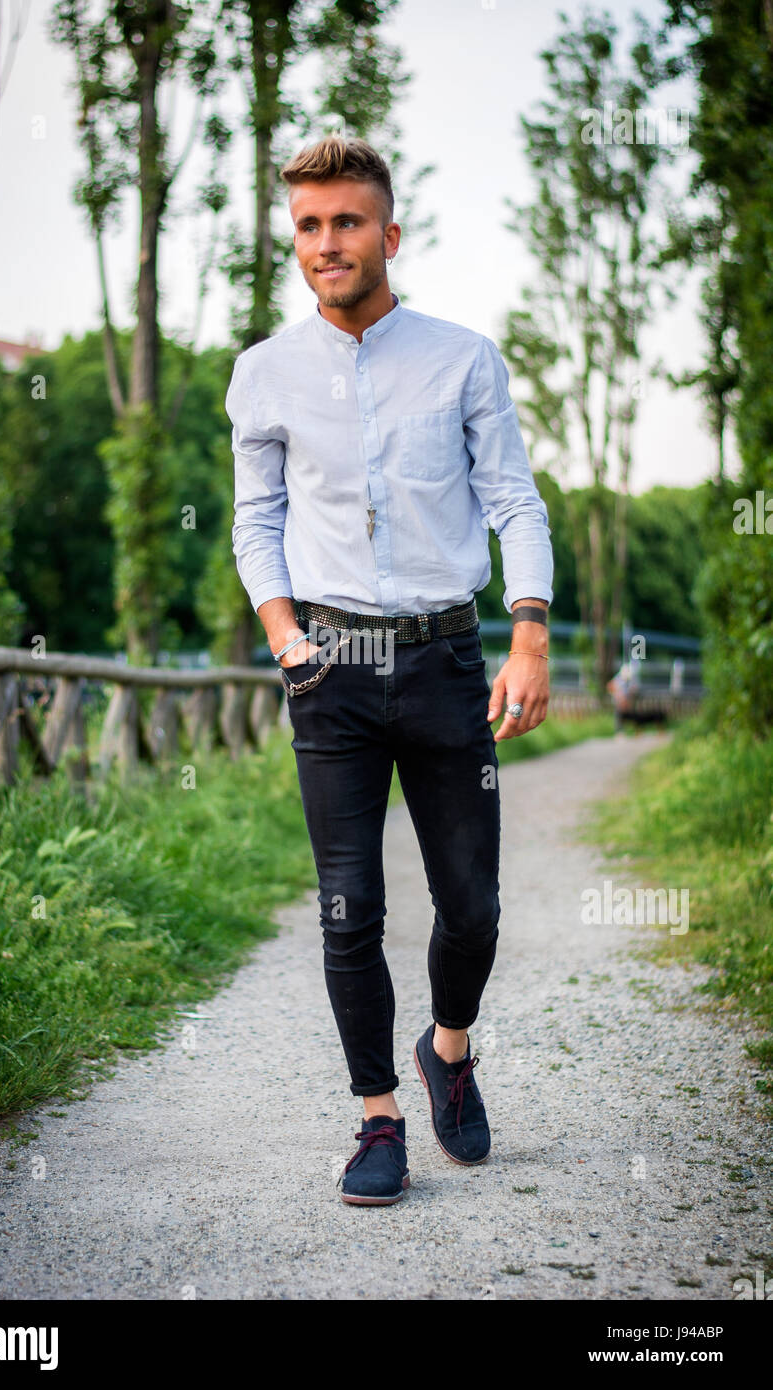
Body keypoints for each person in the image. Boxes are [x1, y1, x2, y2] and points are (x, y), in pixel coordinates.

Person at [226, 135, 553, 1206]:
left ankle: (447, 1050)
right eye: (310, 226)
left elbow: (512, 500)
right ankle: (377, 1117)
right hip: (330, 672)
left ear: (388, 234)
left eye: (347, 222)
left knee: (473, 909)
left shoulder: (460, 356)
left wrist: (527, 632)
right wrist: (283, 637)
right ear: (296, 238)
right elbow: (255, 521)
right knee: (346, 908)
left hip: (447, 658)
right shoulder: (263, 372)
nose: (328, 242)